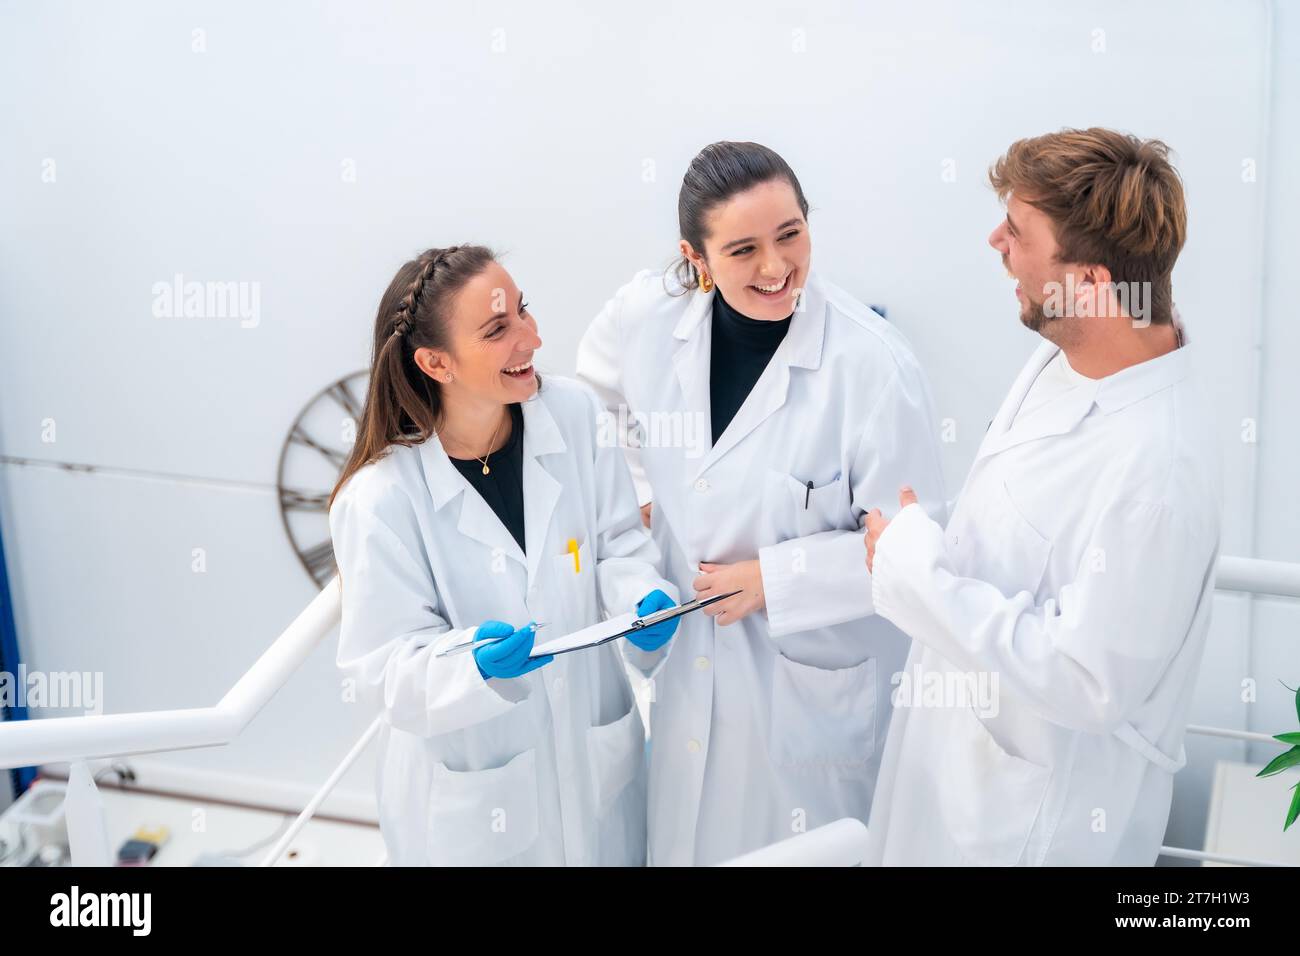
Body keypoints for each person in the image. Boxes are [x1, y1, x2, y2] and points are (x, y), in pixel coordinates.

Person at [577, 142, 946, 865]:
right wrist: (645, 499)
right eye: (743, 249)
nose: (776, 269)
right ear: (696, 258)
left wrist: (775, 580)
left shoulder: (873, 367)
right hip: (696, 662)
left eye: (791, 235)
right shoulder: (649, 318)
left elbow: (915, 548)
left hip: (814, 689)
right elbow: (591, 401)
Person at [863, 129, 1221, 866]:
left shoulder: (1157, 471)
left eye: (1018, 232)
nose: (995, 240)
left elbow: (1088, 681)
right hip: (957, 773)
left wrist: (912, 568)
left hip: (1032, 828)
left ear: (1089, 281)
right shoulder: (1073, 352)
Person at [328, 245, 680, 866]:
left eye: (523, 311)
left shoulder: (573, 415)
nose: (533, 338)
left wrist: (640, 601)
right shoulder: (380, 500)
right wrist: (471, 667)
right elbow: (383, 673)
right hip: (473, 799)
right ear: (436, 362)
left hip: (594, 757)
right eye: (498, 330)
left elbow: (617, 544)